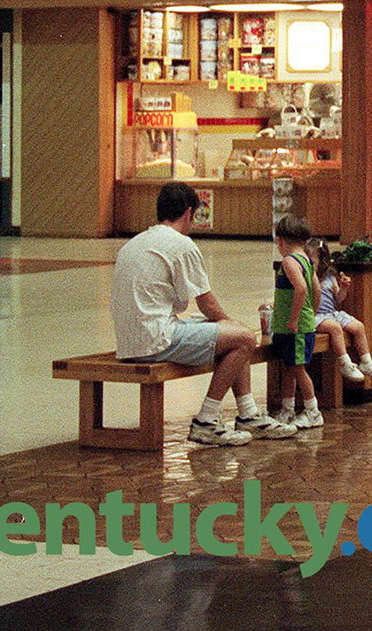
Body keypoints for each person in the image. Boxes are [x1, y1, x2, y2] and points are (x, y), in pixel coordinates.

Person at [110, 181, 296, 446]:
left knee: (234, 337)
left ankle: (248, 414)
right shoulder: (181, 244)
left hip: (130, 340)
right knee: (242, 338)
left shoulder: (135, 242)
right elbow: (207, 304)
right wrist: (236, 327)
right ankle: (206, 421)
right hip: (156, 338)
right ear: (188, 213)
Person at [266, 216, 324, 432]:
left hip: (294, 328)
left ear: (280, 241)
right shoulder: (307, 261)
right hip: (301, 325)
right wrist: (312, 314)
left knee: (298, 369)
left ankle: (312, 411)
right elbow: (316, 290)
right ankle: (287, 408)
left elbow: (300, 289)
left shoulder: (289, 261)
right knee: (290, 367)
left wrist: (294, 319)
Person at [308, 239, 372, 386]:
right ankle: (345, 363)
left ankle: (366, 361)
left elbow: (338, 299)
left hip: (331, 312)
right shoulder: (307, 276)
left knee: (358, 327)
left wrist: (343, 288)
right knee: (335, 328)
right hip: (317, 316)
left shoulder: (329, 276)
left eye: (313, 261)